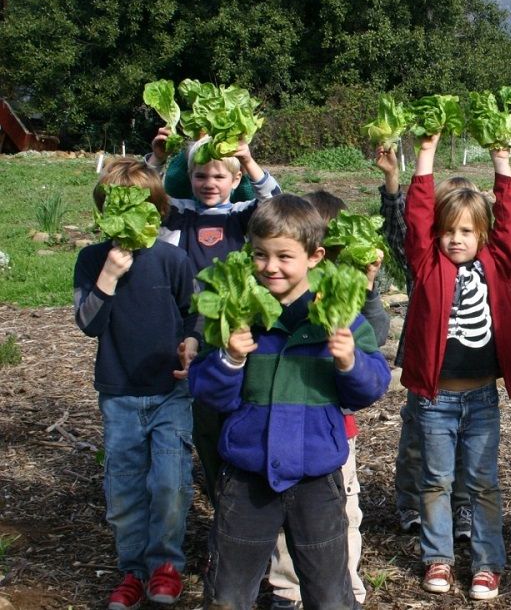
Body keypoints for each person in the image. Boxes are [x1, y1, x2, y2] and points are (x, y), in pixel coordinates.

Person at [188, 194, 390, 608]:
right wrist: (230, 358)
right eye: (260, 255)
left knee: (330, 594)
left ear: (315, 257)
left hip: (316, 478)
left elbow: (371, 388)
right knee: (228, 593)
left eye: (284, 256)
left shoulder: (338, 314)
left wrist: (349, 361)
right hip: (247, 476)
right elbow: (207, 392)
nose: (270, 267)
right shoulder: (237, 312)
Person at [401, 133, 511, 601]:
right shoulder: (427, 263)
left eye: (466, 232)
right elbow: (415, 219)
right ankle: (438, 557)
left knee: (483, 482)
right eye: (448, 231)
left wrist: (503, 162)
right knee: (435, 481)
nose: (456, 239)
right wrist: (426, 154)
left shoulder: (497, 263)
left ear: (481, 235)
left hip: (481, 398)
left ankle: (486, 564)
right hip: (435, 398)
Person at [73, 158, 197, 610]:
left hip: (169, 392)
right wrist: (108, 277)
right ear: (104, 213)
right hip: (119, 393)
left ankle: (166, 565)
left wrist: (192, 342)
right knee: (124, 485)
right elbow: (88, 323)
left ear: (156, 211)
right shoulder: (92, 259)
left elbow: (194, 313)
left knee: (170, 482)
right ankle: (132, 569)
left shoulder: (171, 259)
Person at [266, 189, 390, 609]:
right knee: (282, 508)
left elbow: (376, 338)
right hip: (283, 420)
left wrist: (369, 290)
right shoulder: (283, 295)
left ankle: (346, 587)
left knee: (342, 511)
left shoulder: (346, 289)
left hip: (334, 426)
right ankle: (287, 590)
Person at [148, 129, 281, 506]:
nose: (209, 183)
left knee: (238, 414)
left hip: (236, 330)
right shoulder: (179, 214)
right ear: (189, 178)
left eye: (220, 176)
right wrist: (157, 159)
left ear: (235, 179)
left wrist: (250, 160)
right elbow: (142, 199)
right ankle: (215, 489)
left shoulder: (242, 217)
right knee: (202, 420)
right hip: (188, 331)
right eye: (200, 175)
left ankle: (240, 493)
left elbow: (279, 206)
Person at [373, 148, 473, 539]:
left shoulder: (480, 266)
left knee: (467, 442)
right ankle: (411, 503)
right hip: (425, 366)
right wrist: (393, 183)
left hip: (466, 371)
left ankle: (462, 507)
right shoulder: (424, 258)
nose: (456, 235)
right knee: (416, 437)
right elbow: (401, 227)